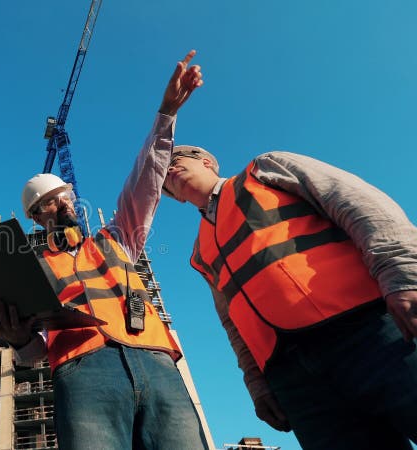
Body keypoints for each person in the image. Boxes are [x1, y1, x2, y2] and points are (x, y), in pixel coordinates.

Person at [0, 51, 209, 450]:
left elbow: (144, 183)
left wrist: (166, 116)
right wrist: (18, 340)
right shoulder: (34, 267)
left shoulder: (117, 237)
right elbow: (34, 353)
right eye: (50, 202)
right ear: (36, 216)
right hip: (82, 370)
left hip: (155, 359)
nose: (63, 203)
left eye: (65, 195)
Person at [162, 145, 417, 449]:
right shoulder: (200, 252)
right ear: (176, 198)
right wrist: (255, 380)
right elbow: (231, 320)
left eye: (175, 160)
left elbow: (356, 202)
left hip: (372, 331)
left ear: (207, 162)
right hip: (293, 378)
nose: (169, 169)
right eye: (163, 175)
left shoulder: (263, 171)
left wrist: (401, 272)